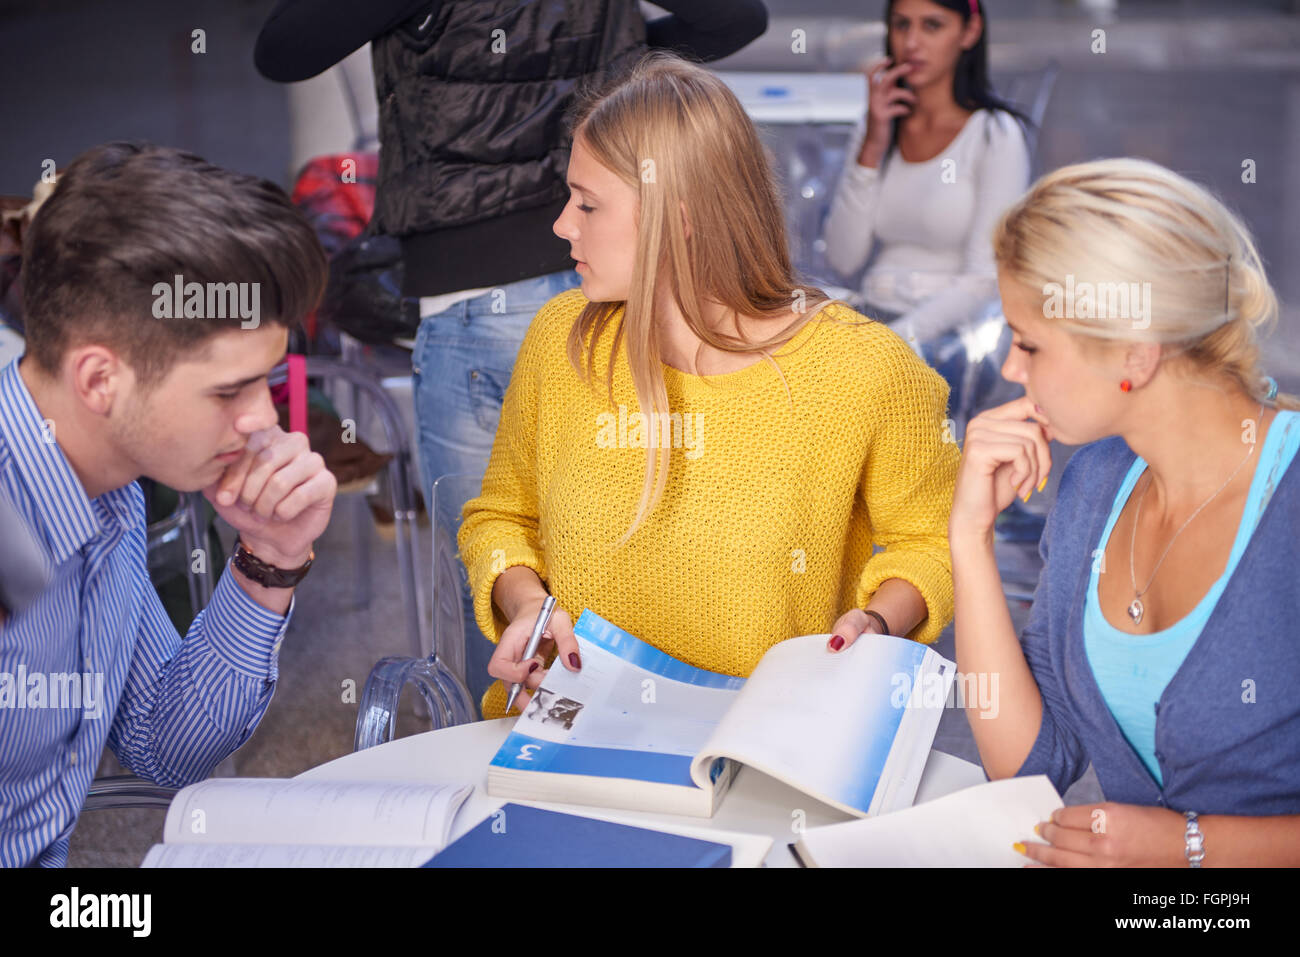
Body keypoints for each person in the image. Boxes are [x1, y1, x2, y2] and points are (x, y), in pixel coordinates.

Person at [457, 53, 961, 720]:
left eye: (588, 204)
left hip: (763, 745)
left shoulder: (863, 369)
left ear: (680, 216)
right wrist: (527, 605)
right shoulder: (562, 339)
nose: (563, 225)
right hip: (566, 734)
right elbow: (500, 516)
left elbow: (934, 540)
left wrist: (875, 620)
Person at [254, 0, 770, 496]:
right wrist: (615, 63)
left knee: (490, 572)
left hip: (476, 286)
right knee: (618, 565)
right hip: (618, 277)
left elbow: (285, 49)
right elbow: (736, 19)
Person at [950, 157, 1300, 866]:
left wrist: (1192, 847)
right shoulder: (1097, 484)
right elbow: (1028, 768)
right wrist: (969, 539)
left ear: (1135, 357)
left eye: (1030, 343)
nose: (1011, 371)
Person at [0, 142, 337, 867]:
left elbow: (164, 744)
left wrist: (267, 561)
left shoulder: (112, 491)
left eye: (266, 381)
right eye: (228, 390)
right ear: (99, 380)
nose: (261, 419)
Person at [821, 0, 1030, 395]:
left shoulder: (995, 134)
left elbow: (982, 281)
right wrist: (872, 147)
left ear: (969, 32)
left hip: (951, 336)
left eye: (932, 26)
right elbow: (842, 258)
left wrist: (893, 342)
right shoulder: (877, 125)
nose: (912, 42)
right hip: (871, 316)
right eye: (901, 25)